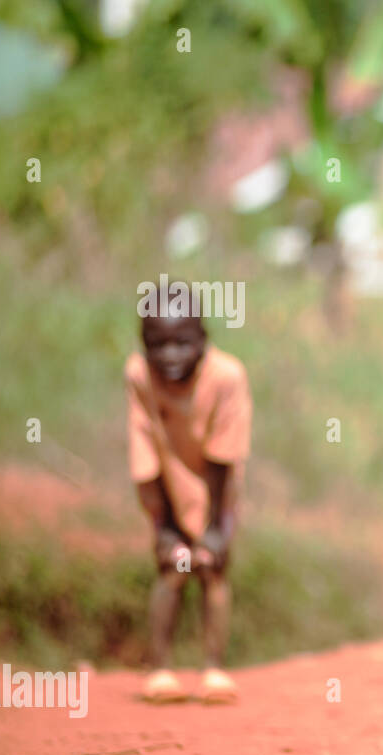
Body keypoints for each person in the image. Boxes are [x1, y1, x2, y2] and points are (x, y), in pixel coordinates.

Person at [125, 279, 251, 704]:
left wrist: (215, 526)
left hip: (217, 486)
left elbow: (224, 454)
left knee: (212, 567)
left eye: (182, 342)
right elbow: (145, 442)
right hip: (166, 482)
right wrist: (162, 523)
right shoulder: (139, 375)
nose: (170, 356)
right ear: (143, 344)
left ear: (203, 338)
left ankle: (213, 668)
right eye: (158, 345)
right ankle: (159, 668)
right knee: (172, 567)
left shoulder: (227, 377)